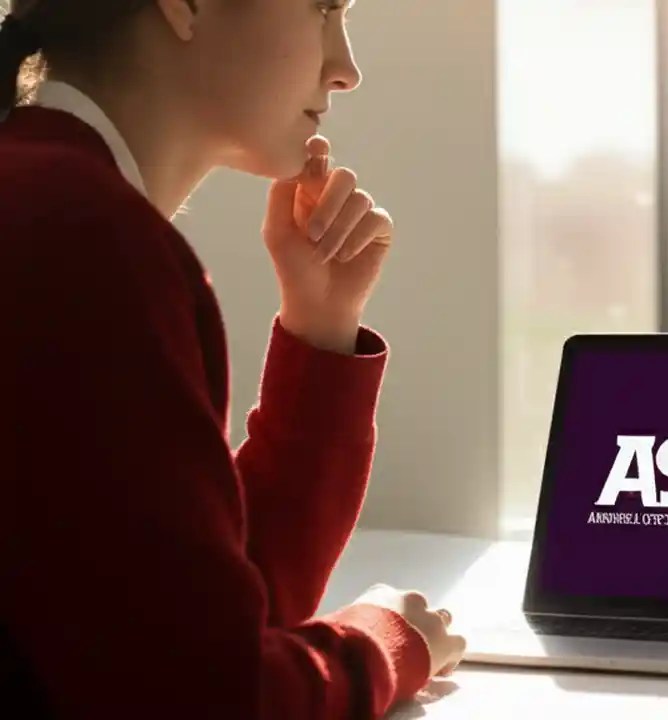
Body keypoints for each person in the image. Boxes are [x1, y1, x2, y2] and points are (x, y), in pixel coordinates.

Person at [0, 1, 466, 717]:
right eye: (322, 9)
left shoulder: (59, 202)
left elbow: (198, 623)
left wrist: (321, 328)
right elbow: (210, 695)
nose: (346, 69)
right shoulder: (81, 231)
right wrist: (383, 641)